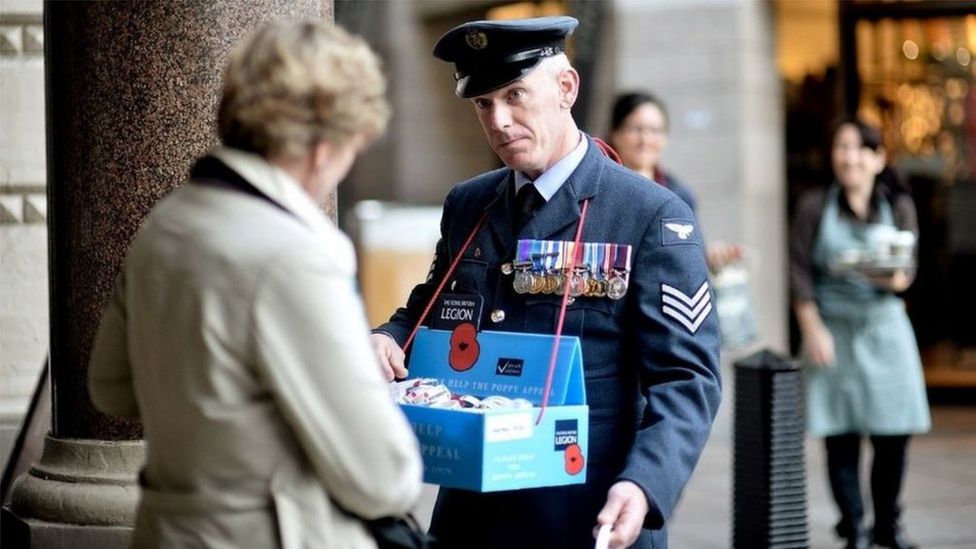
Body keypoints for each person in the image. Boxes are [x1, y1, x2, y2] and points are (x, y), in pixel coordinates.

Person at [371, 16, 722, 549]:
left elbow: (687, 378)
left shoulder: (649, 214)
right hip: (473, 516)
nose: (499, 120)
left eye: (515, 95)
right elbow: (433, 307)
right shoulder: (468, 203)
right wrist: (391, 336)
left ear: (566, 88)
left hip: (588, 514)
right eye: (483, 103)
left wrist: (645, 484)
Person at [88, 20, 422, 548]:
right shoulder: (296, 255)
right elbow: (383, 478)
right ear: (323, 146)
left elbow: (110, 388)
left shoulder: (164, 224)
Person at [790, 117, 930, 549]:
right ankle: (855, 528)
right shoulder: (814, 206)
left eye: (860, 149)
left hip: (885, 328)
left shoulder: (898, 205)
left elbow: (904, 274)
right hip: (832, 328)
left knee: (894, 434)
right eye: (842, 147)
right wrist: (813, 329)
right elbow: (798, 272)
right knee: (841, 436)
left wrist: (880, 272)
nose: (849, 157)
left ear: (878, 158)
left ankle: (888, 523)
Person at [607, 91, 742, 273]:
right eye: (636, 129)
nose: (645, 140)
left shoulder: (679, 194)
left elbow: (690, 259)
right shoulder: (602, 190)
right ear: (615, 133)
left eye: (655, 130)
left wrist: (711, 261)